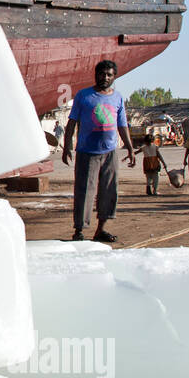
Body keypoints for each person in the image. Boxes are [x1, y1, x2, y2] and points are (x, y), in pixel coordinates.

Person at [62, 59, 135, 242]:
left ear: (114, 77)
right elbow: (71, 122)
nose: (105, 77)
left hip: (110, 152)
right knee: (84, 191)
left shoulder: (117, 97)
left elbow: (122, 125)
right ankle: (79, 230)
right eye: (102, 74)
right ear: (96, 75)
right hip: (87, 152)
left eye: (109, 74)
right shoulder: (83, 96)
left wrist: (130, 148)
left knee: (109, 191)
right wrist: (67, 147)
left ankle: (100, 229)